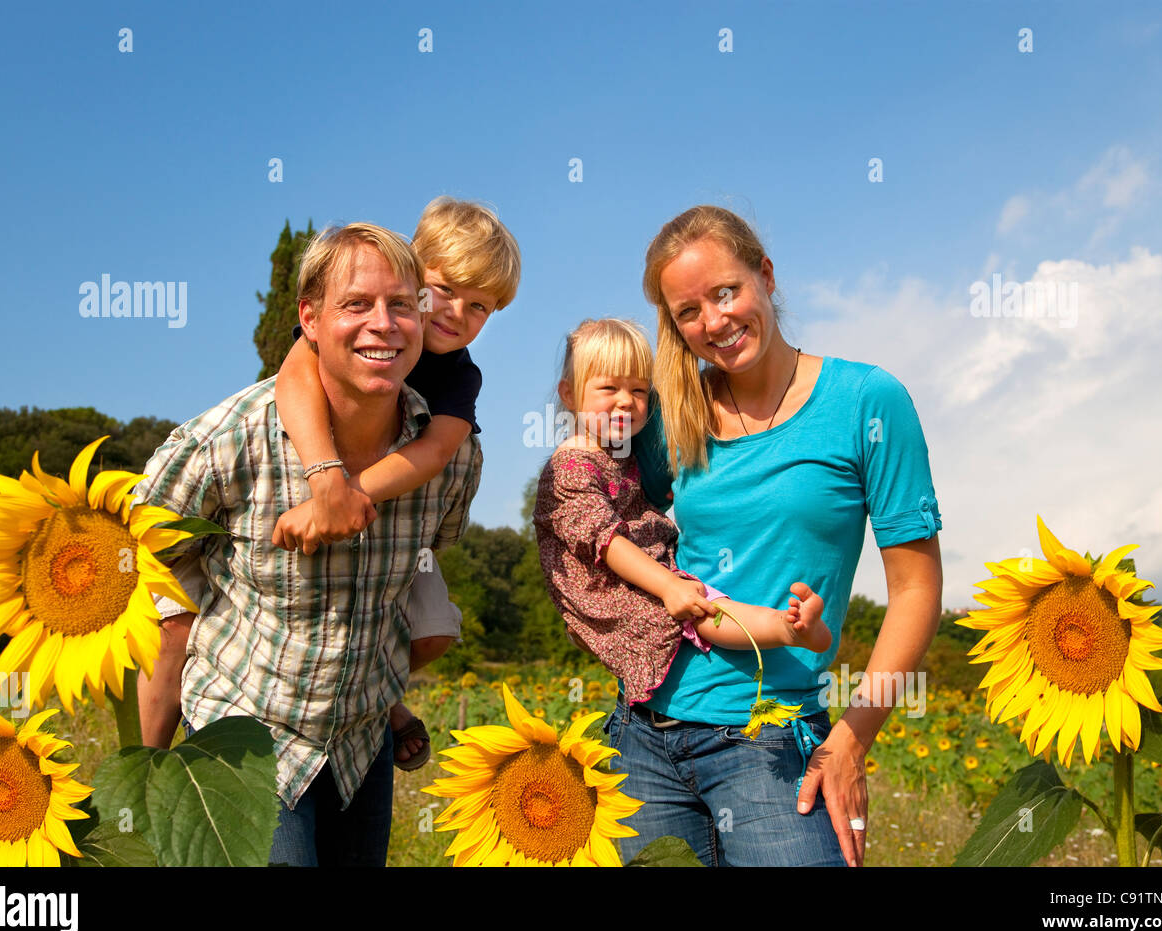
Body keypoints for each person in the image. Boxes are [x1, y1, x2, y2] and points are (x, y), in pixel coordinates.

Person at [133, 222, 481, 866]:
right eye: (356, 304)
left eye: (401, 305)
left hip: (359, 742)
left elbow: (418, 571)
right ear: (309, 320)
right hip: (245, 738)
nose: (383, 323)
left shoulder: (452, 461)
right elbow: (137, 550)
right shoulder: (229, 440)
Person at [612, 205, 943, 867]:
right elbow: (599, 521)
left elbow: (915, 592)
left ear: (765, 275)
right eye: (688, 312)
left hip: (769, 742)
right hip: (642, 741)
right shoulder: (669, 414)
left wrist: (852, 738)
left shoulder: (866, 401)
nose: (715, 321)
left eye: (726, 292)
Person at [272, 197, 520, 771]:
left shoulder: (460, 376)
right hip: (317, 492)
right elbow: (293, 375)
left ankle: (377, 700)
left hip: (395, 525)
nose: (456, 312)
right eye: (444, 289)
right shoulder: (366, 333)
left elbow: (436, 450)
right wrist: (326, 479)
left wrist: (356, 492)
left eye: (479, 305)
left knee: (434, 631)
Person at [532, 318, 831, 706]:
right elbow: (609, 543)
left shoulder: (619, 452)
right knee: (698, 610)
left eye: (639, 390)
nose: (627, 401)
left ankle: (789, 628)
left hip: (641, 568)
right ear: (569, 395)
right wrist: (667, 586)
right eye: (608, 388)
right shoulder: (572, 466)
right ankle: (786, 630)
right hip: (609, 583)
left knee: (706, 600)